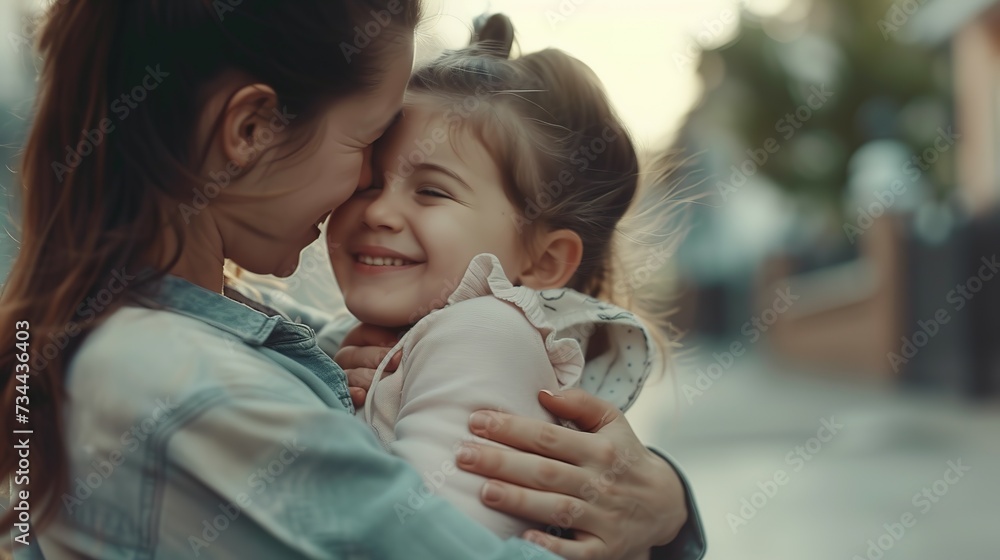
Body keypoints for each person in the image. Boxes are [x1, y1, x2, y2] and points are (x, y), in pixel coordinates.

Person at [0, 1, 704, 559]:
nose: (368, 194)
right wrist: (655, 532)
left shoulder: (240, 331)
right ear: (249, 129)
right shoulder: (180, 382)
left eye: (428, 189)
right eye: (368, 145)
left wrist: (662, 500)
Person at [323, 16, 676, 542]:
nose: (378, 212)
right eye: (367, 183)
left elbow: (425, 542)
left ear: (544, 261)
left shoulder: (485, 332)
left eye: (432, 192)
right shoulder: (359, 340)